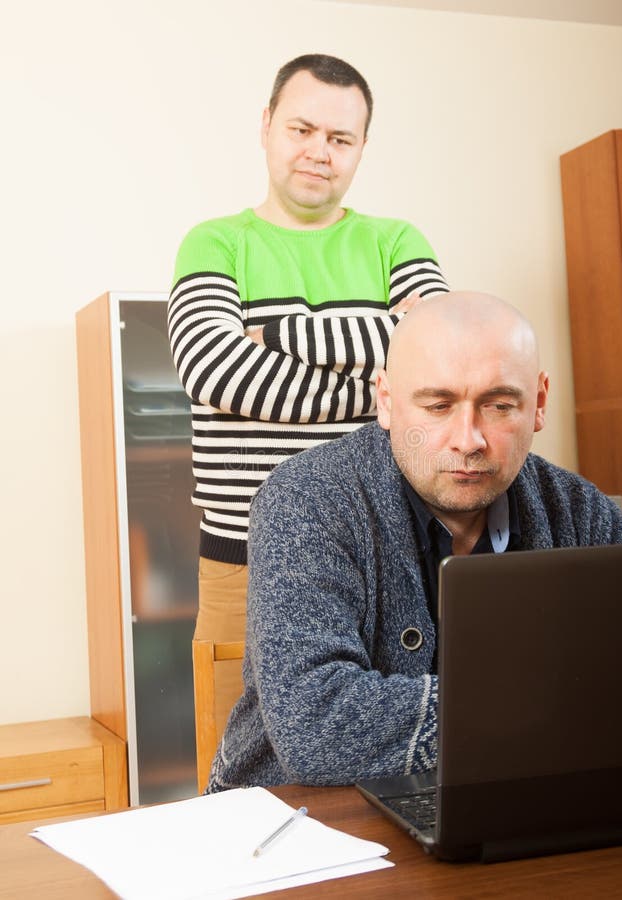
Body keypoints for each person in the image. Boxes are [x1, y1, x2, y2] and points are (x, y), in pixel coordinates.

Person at [206, 292, 622, 791]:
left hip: (508, 798)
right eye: (438, 405)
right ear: (385, 401)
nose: (468, 439)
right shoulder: (306, 503)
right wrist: (550, 707)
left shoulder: (582, 511)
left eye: (498, 406)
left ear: (538, 403)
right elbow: (317, 728)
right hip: (299, 823)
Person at [167, 54, 448, 660]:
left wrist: (277, 332)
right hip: (243, 556)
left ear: (361, 147)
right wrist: (380, 381)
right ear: (266, 124)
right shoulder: (214, 242)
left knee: (390, 743)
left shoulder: (397, 241)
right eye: (302, 129)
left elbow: (438, 363)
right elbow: (214, 370)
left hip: (386, 552)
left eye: (340, 138)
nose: (320, 151)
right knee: (239, 753)